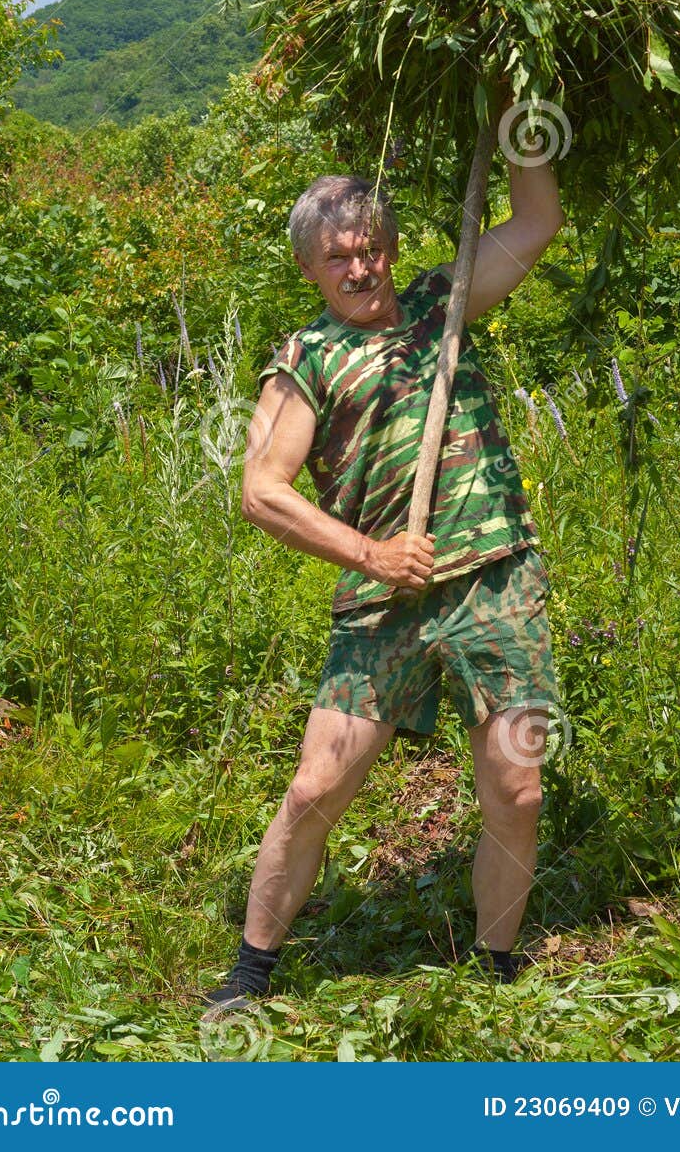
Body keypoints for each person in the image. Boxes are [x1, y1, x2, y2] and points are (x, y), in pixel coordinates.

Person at [203, 116, 565, 1016]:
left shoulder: (447, 304)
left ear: (390, 249)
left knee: (516, 781)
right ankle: (250, 973)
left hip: (492, 576)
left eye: (369, 250)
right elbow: (261, 491)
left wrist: (519, 111)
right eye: (338, 258)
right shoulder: (306, 359)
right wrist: (373, 552)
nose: (359, 268)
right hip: (382, 592)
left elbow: (534, 221)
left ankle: (494, 975)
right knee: (318, 784)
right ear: (309, 270)